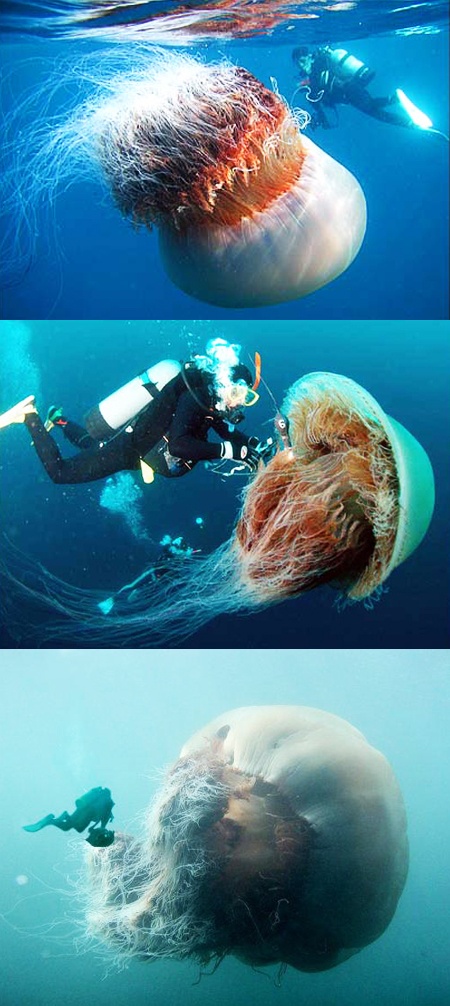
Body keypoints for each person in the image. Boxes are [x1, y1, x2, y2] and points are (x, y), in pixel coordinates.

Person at [0, 340, 271, 486]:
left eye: (248, 398)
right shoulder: (196, 397)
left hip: (141, 449)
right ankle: (29, 416)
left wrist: (251, 445)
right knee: (62, 473)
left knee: (93, 445)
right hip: (131, 448)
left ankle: (58, 418)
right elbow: (179, 446)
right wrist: (229, 452)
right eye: (240, 394)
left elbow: (226, 430)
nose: (240, 403)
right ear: (223, 384)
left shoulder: (212, 403)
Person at [292, 46, 434, 131]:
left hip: (349, 90)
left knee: (376, 113)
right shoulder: (313, 72)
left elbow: (316, 97)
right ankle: (395, 100)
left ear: (310, 57)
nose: (301, 66)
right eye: (298, 64)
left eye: (303, 61)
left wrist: (307, 88)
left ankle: (410, 123)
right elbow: (318, 100)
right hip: (349, 92)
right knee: (373, 107)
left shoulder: (318, 66)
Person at [97, 534, 200, 615]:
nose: (174, 547)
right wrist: (175, 549)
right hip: (152, 574)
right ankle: (112, 600)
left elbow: (176, 572)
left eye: (177, 545)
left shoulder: (179, 558)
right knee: (133, 587)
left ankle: (120, 605)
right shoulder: (170, 551)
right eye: (175, 544)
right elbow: (167, 553)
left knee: (134, 597)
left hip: (158, 582)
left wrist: (186, 555)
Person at [23, 787, 115, 847]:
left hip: (86, 808)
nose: (90, 833)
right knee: (73, 827)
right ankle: (52, 820)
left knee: (74, 827)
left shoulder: (103, 822)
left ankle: (57, 818)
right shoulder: (104, 819)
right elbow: (106, 810)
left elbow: (106, 811)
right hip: (87, 809)